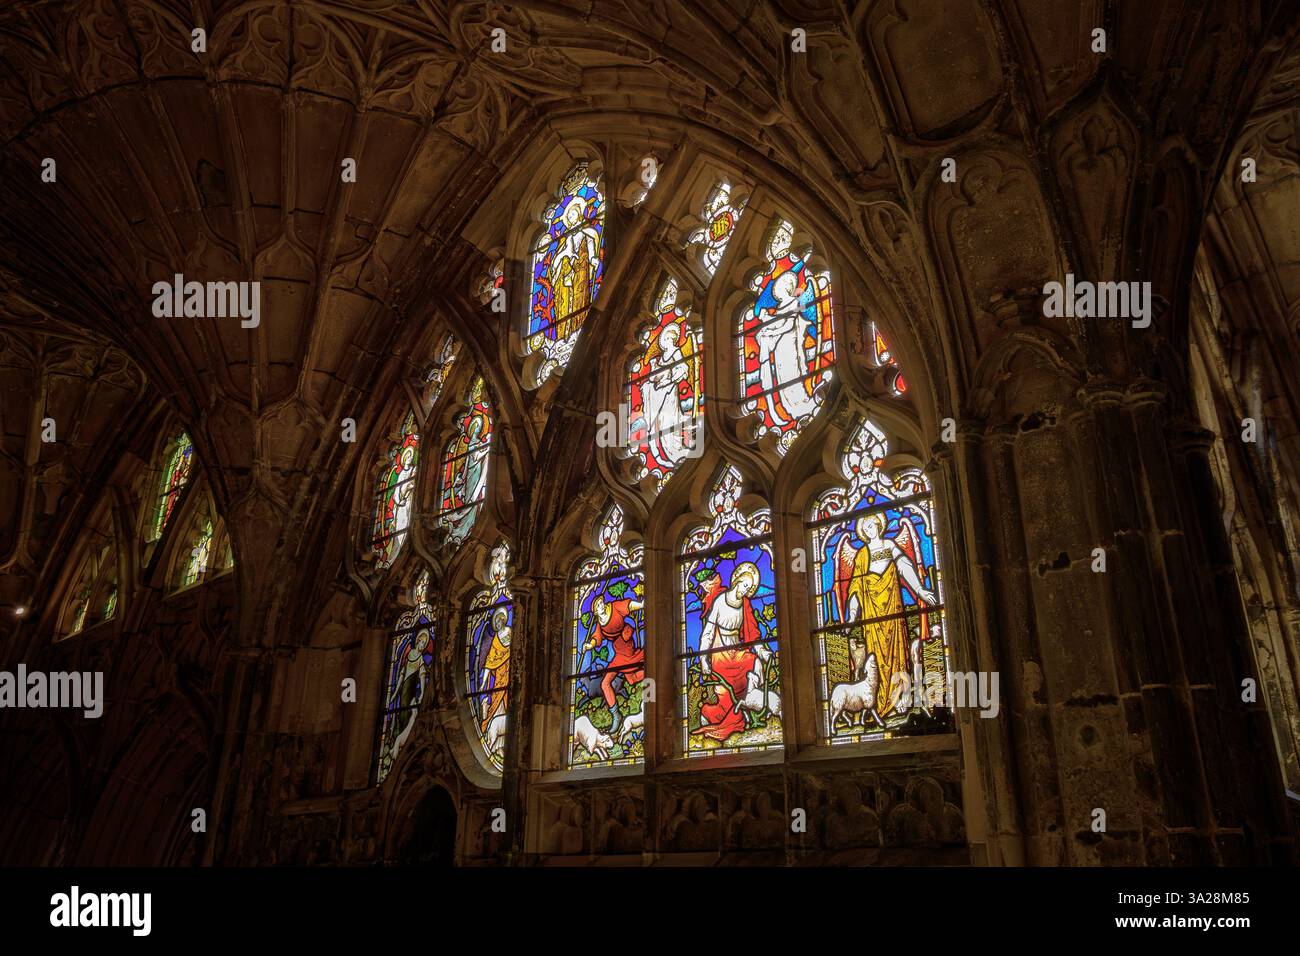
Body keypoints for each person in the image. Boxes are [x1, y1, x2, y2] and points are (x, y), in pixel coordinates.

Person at [581, 594, 645, 735]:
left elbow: (627, 606)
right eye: (598, 605)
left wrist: (640, 605)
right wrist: (589, 645)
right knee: (613, 682)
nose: (602, 605)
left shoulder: (614, 607)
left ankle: (651, 670)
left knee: (628, 678)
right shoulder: (599, 623)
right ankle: (616, 715)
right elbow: (597, 638)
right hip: (618, 650)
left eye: (601, 602)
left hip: (626, 645)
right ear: (596, 612)